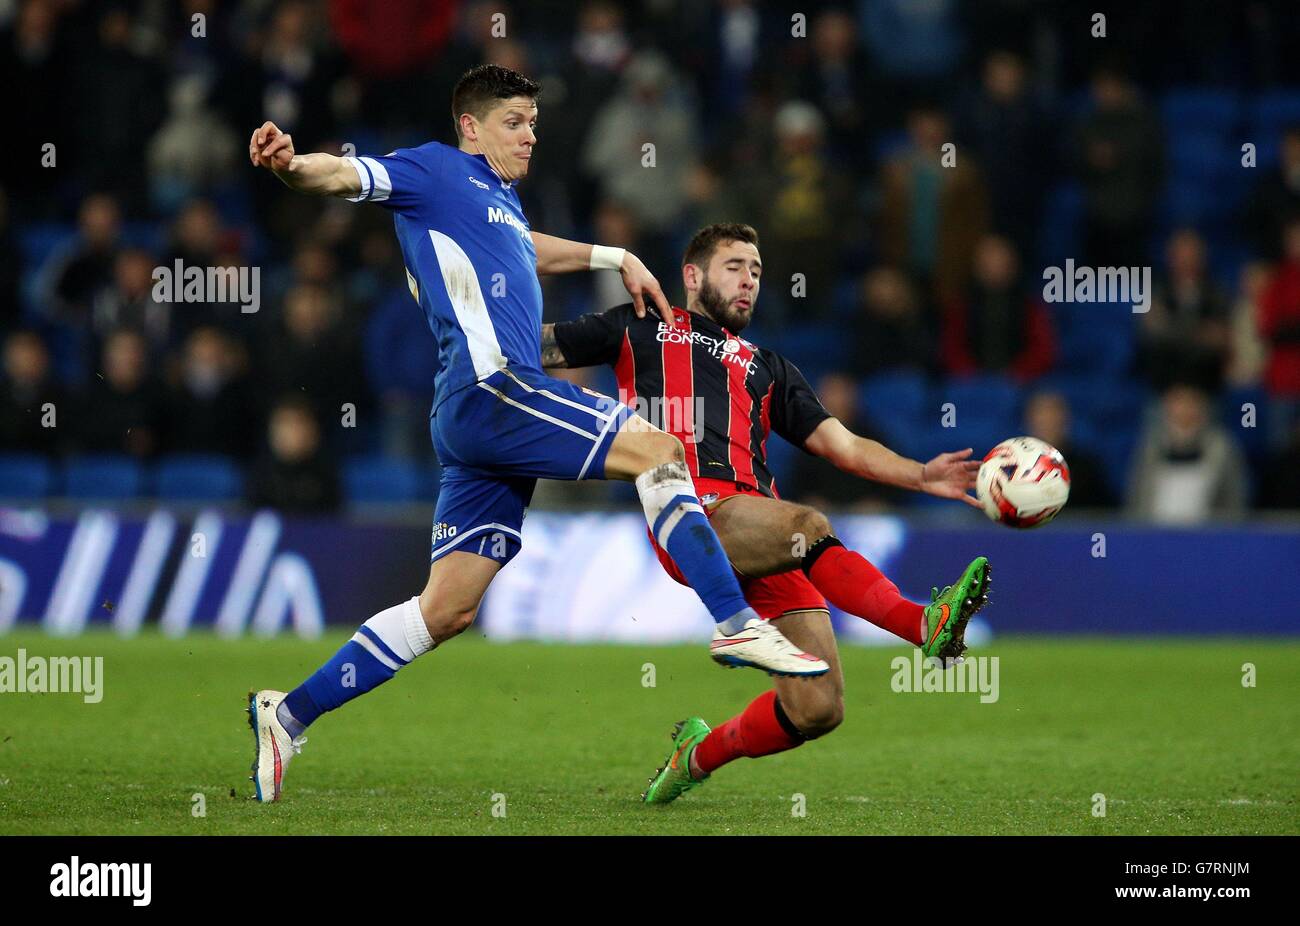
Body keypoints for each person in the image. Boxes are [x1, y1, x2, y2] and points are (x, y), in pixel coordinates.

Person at [242, 65, 827, 803]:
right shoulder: (433, 171)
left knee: (448, 607)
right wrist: (293, 165)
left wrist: (611, 257)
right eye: (515, 121)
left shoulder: (495, 203)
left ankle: (287, 714)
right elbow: (343, 177)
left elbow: (524, 241)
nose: (530, 134)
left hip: (470, 420)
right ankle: (735, 621)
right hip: (496, 392)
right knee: (660, 448)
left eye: (533, 122)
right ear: (471, 126)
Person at [541, 223, 990, 803]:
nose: (749, 280)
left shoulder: (767, 366)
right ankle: (922, 625)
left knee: (819, 708)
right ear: (692, 275)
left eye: (756, 271)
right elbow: (533, 345)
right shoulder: (638, 328)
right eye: (735, 266)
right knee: (810, 525)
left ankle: (696, 755)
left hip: (761, 529)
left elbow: (846, 446)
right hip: (693, 514)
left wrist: (921, 474)